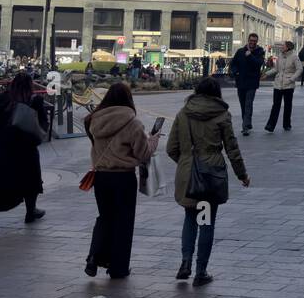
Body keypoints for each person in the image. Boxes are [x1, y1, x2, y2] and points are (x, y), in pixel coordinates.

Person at [166, 77, 250, 286]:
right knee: (206, 221)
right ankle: (200, 270)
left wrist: (186, 163)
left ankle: (185, 262)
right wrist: (242, 174)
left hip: (188, 174)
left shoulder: (183, 113)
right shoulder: (221, 114)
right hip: (210, 175)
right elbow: (232, 148)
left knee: (189, 218)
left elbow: (171, 148)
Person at [84, 83, 160, 279]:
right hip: (123, 177)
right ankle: (118, 268)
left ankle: (94, 256)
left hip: (100, 177)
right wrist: (153, 140)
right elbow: (143, 154)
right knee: (123, 222)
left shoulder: (93, 121)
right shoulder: (133, 123)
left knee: (105, 218)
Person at [0, 72, 48, 240]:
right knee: (31, 180)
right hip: (25, 148)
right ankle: (31, 211)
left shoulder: (1, 99)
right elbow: (43, 124)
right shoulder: (35, 100)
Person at [228, 32, 265, 135]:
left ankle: (245, 127)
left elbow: (258, 64)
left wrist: (249, 56)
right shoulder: (240, 51)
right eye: (251, 40)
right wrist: (235, 72)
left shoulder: (260, 51)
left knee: (248, 103)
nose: (252, 42)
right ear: (248, 40)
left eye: (254, 41)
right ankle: (248, 123)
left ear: (257, 42)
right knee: (243, 104)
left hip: (252, 82)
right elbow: (233, 63)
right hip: (241, 82)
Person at [266, 41, 302, 132]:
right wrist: (266, 74)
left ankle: (287, 124)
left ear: (288, 47)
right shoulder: (280, 56)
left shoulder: (294, 57)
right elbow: (276, 69)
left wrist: (292, 79)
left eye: (283, 46)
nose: (282, 47)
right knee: (275, 105)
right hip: (278, 84)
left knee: (287, 105)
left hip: (288, 85)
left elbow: (299, 69)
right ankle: (270, 125)